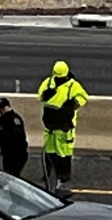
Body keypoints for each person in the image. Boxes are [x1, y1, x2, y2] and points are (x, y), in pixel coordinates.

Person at [37, 60, 88, 194]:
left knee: (64, 153)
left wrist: (73, 103)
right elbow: (40, 96)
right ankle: (48, 173)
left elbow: (83, 97)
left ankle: (64, 176)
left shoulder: (73, 86)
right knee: (49, 151)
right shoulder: (49, 83)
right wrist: (46, 94)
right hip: (50, 125)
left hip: (65, 126)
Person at [0, 97, 28, 179]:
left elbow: (15, 137)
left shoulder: (13, 119)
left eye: (1, 108)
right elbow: (2, 135)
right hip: (8, 153)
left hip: (16, 153)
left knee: (12, 175)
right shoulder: (2, 120)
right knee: (9, 174)